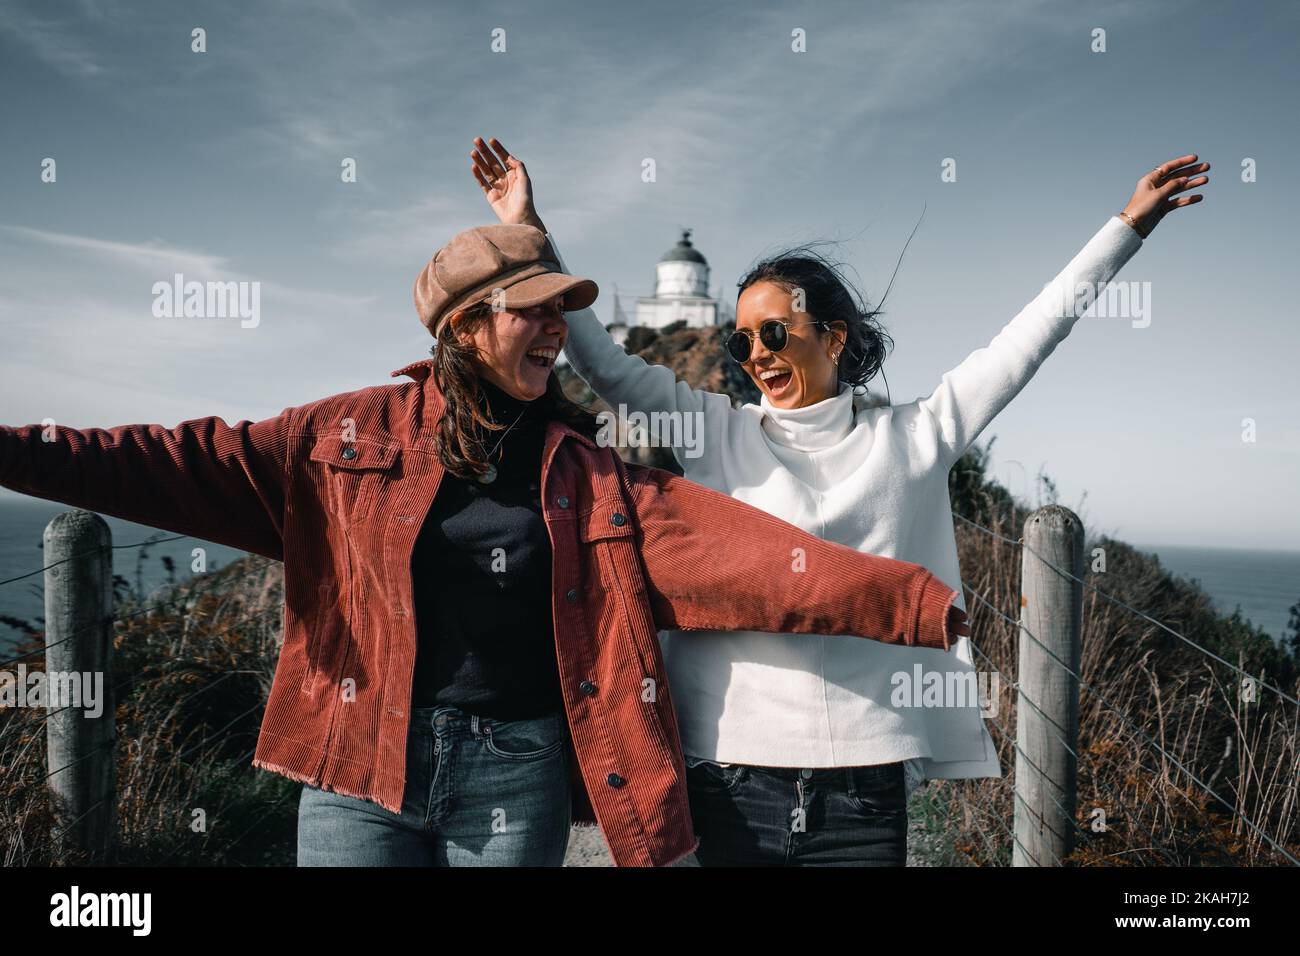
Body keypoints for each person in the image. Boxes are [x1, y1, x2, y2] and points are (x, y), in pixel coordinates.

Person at [0, 221, 973, 866]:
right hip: (354, 767)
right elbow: (162, 459)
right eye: (533, 308)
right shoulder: (339, 435)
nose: (556, 329)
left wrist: (918, 603)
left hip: (514, 767)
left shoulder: (585, 472)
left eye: (562, 309)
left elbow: (746, 555)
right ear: (464, 326)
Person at [469, 135, 1208, 865]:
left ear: (834, 336)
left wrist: (1126, 228)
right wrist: (526, 228)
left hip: (865, 790)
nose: (755, 353)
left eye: (774, 332)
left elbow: (1028, 338)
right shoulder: (712, 431)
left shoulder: (917, 435)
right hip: (726, 776)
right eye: (741, 341)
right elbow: (599, 357)